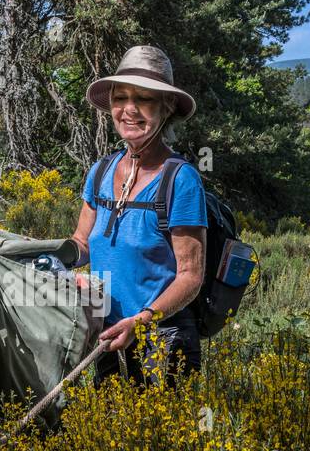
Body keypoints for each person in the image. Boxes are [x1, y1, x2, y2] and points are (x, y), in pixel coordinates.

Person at [69, 45, 207, 389]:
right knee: (111, 438)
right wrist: (39, 257)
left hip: (163, 342)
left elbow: (190, 276)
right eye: (121, 98)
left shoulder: (181, 180)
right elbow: (82, 244)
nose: (128, 110)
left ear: (167, 107)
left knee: (163, 441)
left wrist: (141, 322)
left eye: (143, 99)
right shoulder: (100, 172)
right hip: (109, 337)